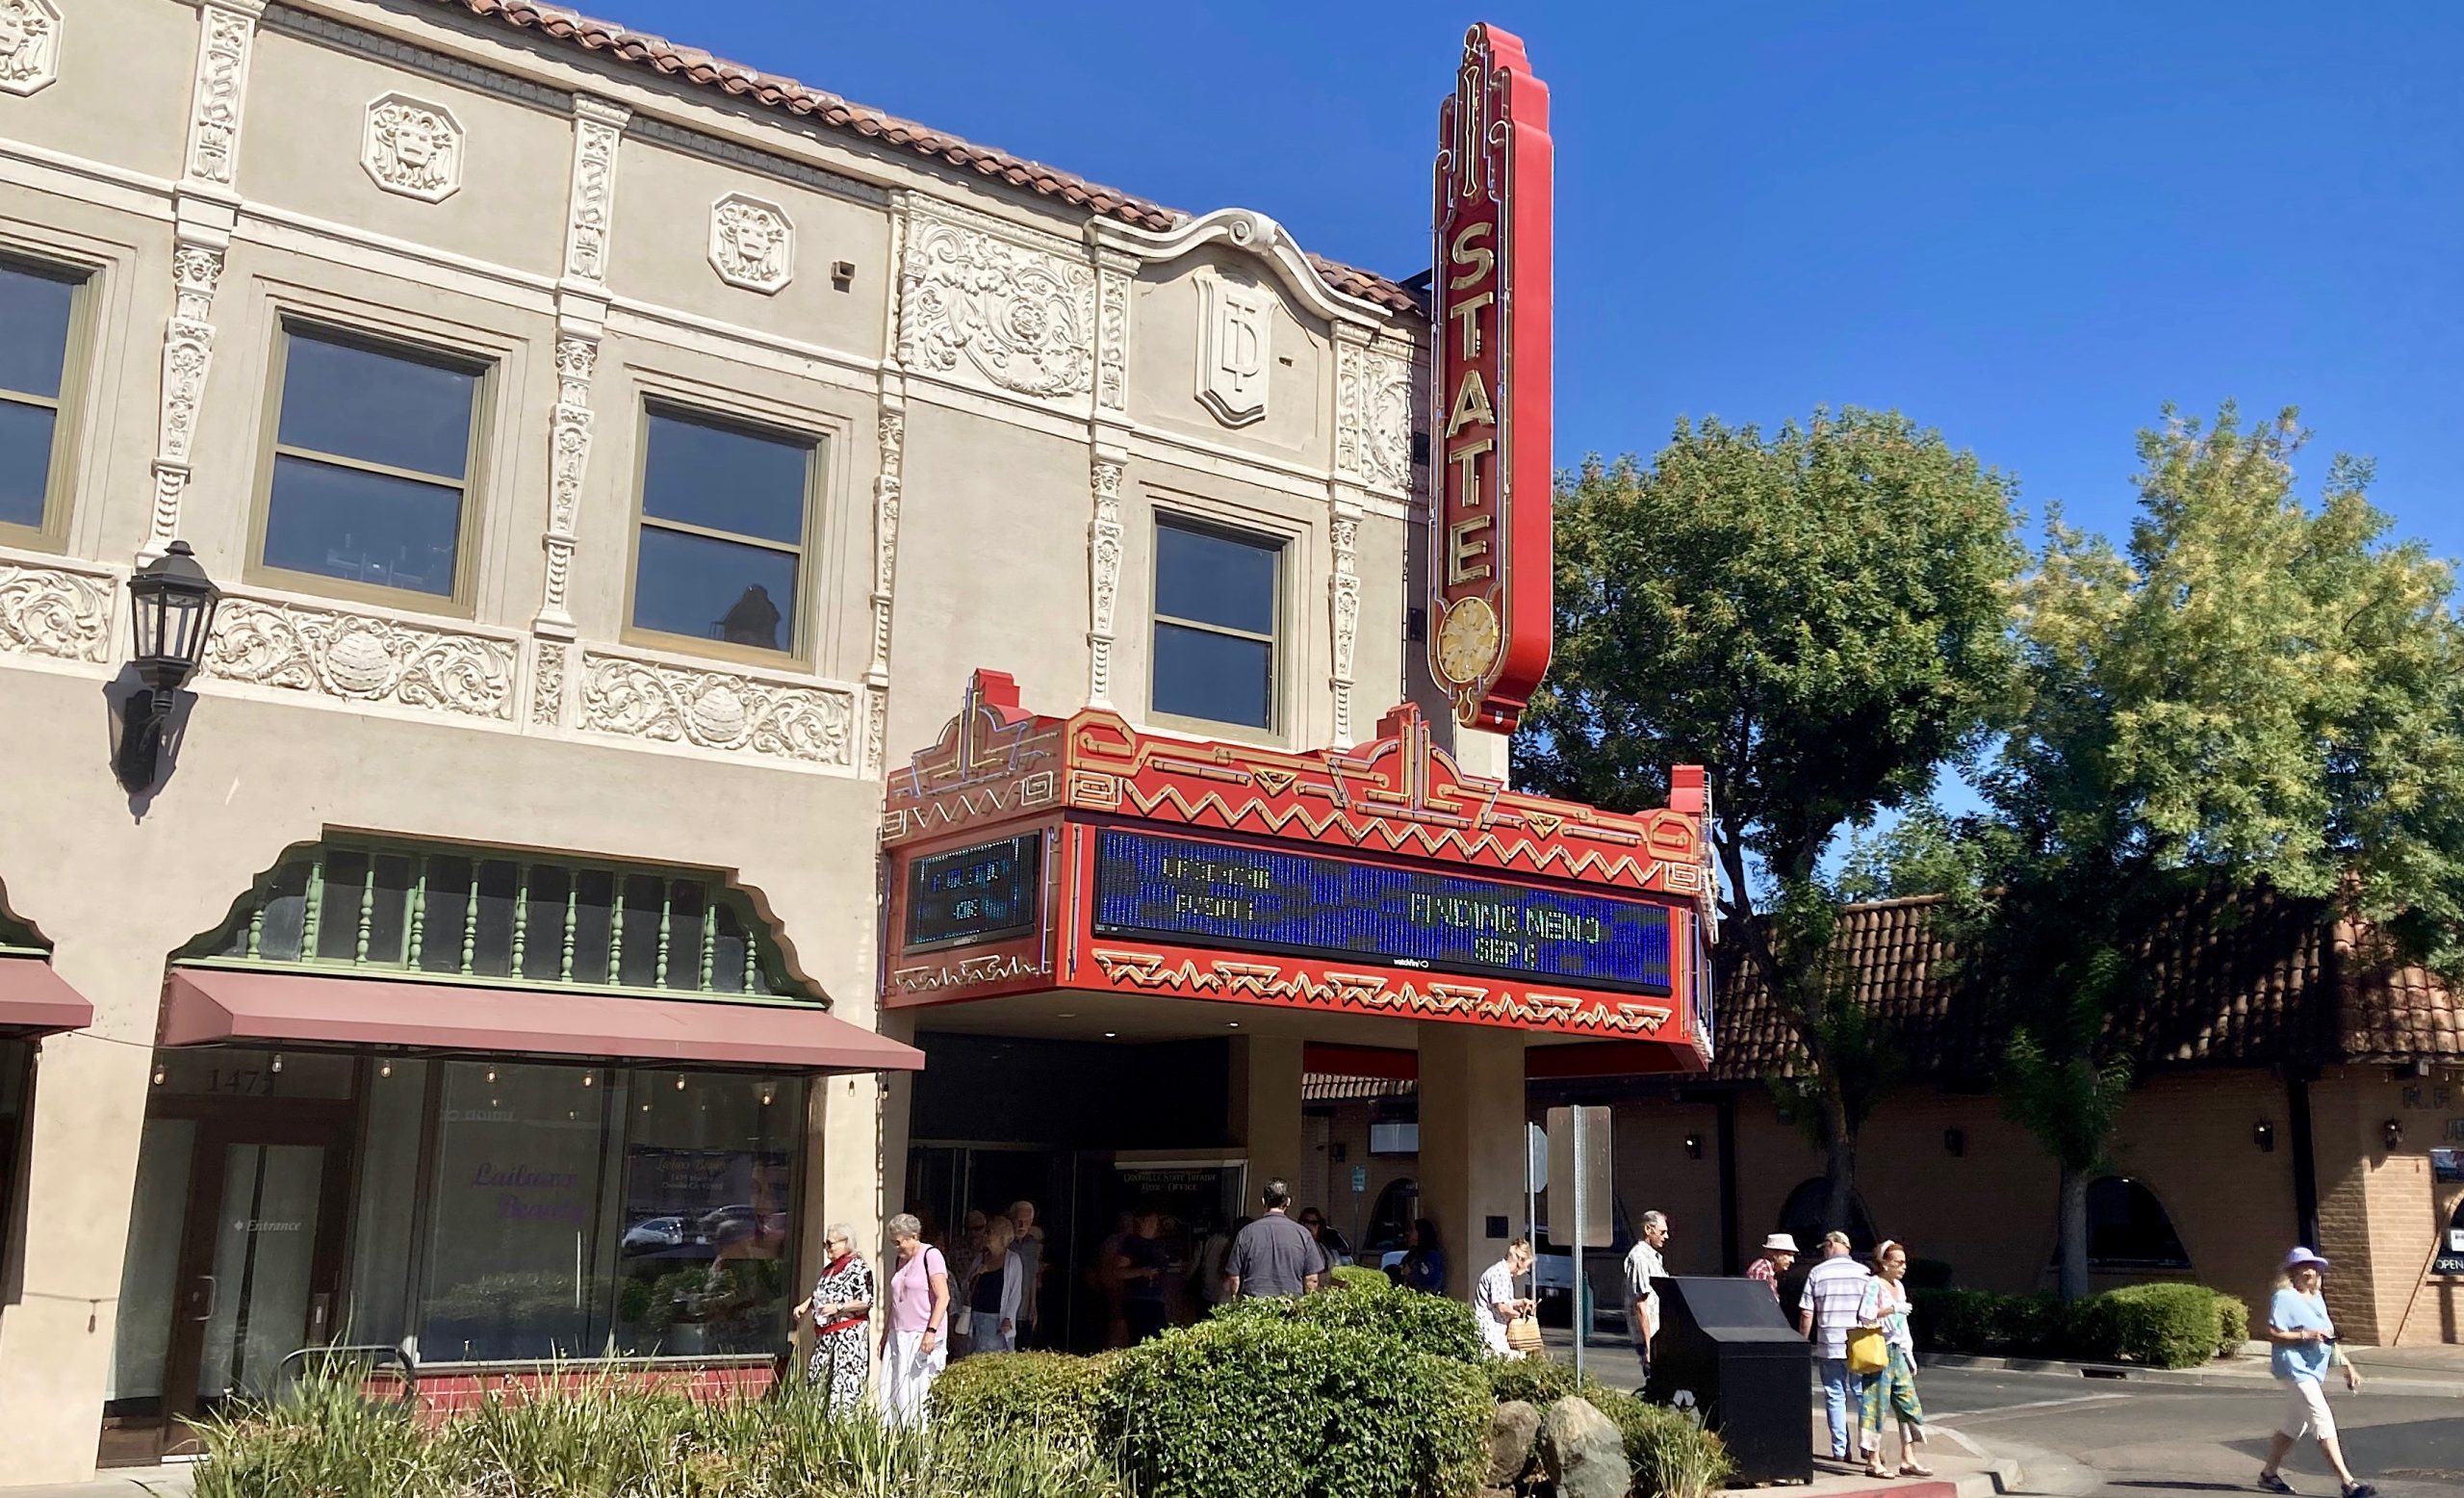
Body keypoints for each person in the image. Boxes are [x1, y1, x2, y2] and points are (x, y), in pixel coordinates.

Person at [2257, 1248, 2375, 1498]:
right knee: (2322, 1418)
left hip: (2313, 1368)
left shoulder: (2317, 1298)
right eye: (2305, 1267)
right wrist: (2304, 1335)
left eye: (2314, 1267)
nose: (2311, 1271)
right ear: (2293, 1272)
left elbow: (2328, 1338)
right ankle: (2348, 1483)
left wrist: (2347, 1366)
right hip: (2293, 1367)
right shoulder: (2284, 1297)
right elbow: (2272, 1333)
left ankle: (2268, 1474)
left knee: (2294, 1426)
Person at [1856, 1239, 1930, 1479]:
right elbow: (1864, 1315)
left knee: (1909, 1404)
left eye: (1905, 1262)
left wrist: (1909, 1352)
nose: (1903, 1267)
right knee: (1875, 1405)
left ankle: (1908, 1459)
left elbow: (1903, 1325)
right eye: (1899, 1262)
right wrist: (1891, 1310)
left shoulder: (1899, 1286)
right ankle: (1873, 1460)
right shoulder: (1874, 1285)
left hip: (1898, 1350)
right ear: (1885, 1263)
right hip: (1880, 1350)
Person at [1800, 1230, 1872, 1462]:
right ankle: (1868, 1445)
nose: (1823, 1251)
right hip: (1859, 1343)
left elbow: (1806, 1312)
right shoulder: (1865, 1273)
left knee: (1835, 1395)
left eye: (1824, 1247)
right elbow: (1872, 1310)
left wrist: (1802, 1341)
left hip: (1829, 1343)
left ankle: (1840, 1449)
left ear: (1832, 1244)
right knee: (1862, 1395)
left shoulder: (1817, 1273)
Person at [792, 1223, 873, 1412]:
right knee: (818, 1382)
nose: (827, 1249)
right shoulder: (831, 1269)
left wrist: (838, 1307)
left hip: (847, 1339)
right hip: (825, 1337)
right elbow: (821, 1293)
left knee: (843, 1386)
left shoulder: (859, 1268)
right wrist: (806, 1305)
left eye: (830, 1244)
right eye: (825, 1244)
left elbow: (866, 1300)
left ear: (846, 1243)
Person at [878, 1213, 949, 1427]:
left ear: (913, 1236)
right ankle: (893, 1442)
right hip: (898, 1333)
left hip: (921, 1333)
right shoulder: (899, 1260)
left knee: (917, 1392)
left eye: (899, 1242)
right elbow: (896, 1300)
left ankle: (918, 1447)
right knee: (893, 1389)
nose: (897, 1248)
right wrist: (885, 1335)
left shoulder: (931, 1255)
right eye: (893, 1243)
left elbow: (943, 1296)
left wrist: (931, 1331)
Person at [1225, 1178, 1325, 1298]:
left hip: (1253, 1309)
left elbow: (1234, 1278)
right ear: (1288, 1202)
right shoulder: (1303, 1234)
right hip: (1290, 1306)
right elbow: (1311, 1279)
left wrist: (1235, 1301)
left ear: (1263, 1201)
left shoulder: (1246, 1233)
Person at [962, 1215, 1023, 1356]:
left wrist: (1009, 1318)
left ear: (1002, 1236)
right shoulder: (981, 1257)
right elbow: (967, 1286)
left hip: (998, 1322)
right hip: (977, 1318)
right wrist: (977, 1272)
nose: (986, 1235)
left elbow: (1015, 1293)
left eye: (990, 1232)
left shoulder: (1013, 1260)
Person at [1623, 1210, 1672, 1377]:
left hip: (1660, 1334)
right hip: (1651, 1337)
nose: (1666, 1237)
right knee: (1658, 1383)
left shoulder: (1653, 1258)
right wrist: (1649, 1347)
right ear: (1648, 1230)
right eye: (1662, 1232)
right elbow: (1640, 1304)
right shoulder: (1639, 1258)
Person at [1116, 1208, 1173, 1341]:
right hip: (1137, 1300)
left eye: (1155, 1221)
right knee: (1139, 1341)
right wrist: (1141, 1271)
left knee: (1159, 1341)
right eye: (1150, 1221)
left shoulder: (1159, 1244)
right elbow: (1118, 1271)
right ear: (1141, 1222)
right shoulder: (1131, 1243)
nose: (1153, 1224)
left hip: (1157, 1300)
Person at [1476, 1236, 1537, 1358]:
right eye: (1527, 1265)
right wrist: (1520, 1317)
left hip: (1495, 1331)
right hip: (1490, 1331)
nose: (1527, 1270)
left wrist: (1520, 1302)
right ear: (1520, 1261)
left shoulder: (1503, 1273)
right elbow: (1501, 1307)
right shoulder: (1500, 1274)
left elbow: (1503, 1300)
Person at [1006, 1200, 1045, 1349]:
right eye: (1019, 1220)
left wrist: (1034, 1305)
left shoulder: (1033, 1245)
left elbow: (1033, 1276)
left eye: (1027, 1221)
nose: (1022, 1225)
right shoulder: (1005, 1244)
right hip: (1008, 1308)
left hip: (1026, 1307)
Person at [1399, 1217, 1449, 1296]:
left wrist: (1411, 1273)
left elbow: (1431, 1283)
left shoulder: (1432, 1256)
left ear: (1421, 1232)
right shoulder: (1413, 1252)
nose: (1409, 1233)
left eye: (1412, 1230)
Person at [1747, 1232, 1799, 1302]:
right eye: (1789, 1255)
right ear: (1774, 1254)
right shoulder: (1762, 1271)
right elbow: (1762, 1304)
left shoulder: (1772, 1271)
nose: (1792, 1260)